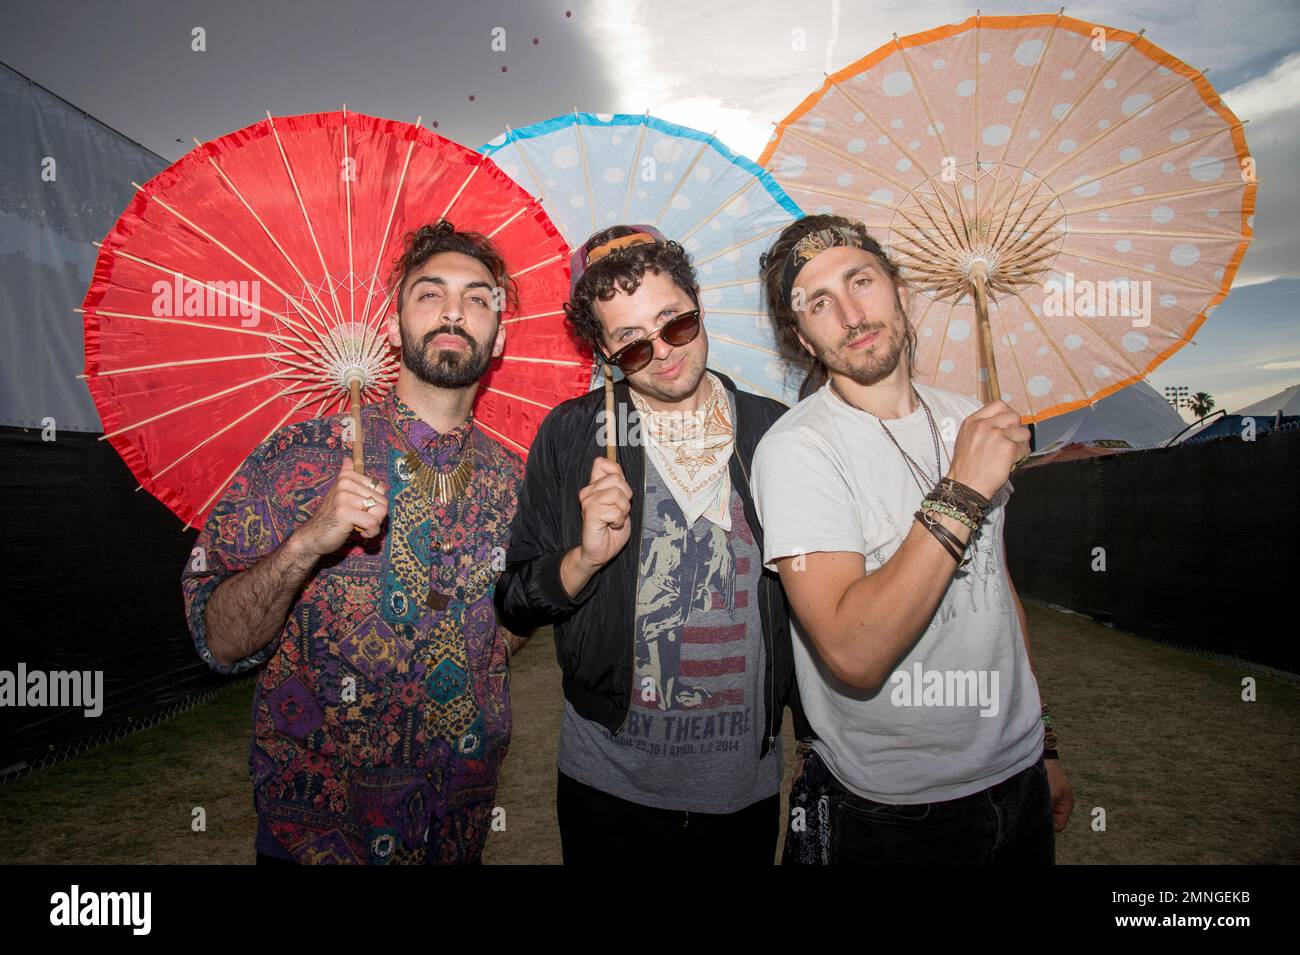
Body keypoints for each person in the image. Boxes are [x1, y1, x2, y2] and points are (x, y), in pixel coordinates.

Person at [181, 219, 525, 864]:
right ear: (394, 329)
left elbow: (507, 629)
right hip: (317, 834)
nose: (455, 310)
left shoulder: (513, 482)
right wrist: (308, 543)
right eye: (430, 294)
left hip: (457, 825)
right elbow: (220, 639)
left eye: (479, 298)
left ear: (498, 336)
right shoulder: (298, 456)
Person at [750, 214, 1074, 865]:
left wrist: (1042, 743)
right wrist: (961, 490)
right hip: (893, 810)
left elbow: (998, 591)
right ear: (803, 339)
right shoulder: (797, 450)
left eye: (861, 280)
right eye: (819, 303)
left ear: (900, 289)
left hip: (1018, 780)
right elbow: (853, 650)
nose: (850, 313)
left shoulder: (967, 419)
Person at [493, 224, 806, 864]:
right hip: (607, 786)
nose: (663, 353)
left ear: (697, 302)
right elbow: (514, 603)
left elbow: (805, 608)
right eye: (632, 344)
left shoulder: (774, 429)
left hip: (742, 788)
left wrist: (816, 743)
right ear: (606, 356)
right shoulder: (573, 436)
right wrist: (582, 560)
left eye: (675, 322)